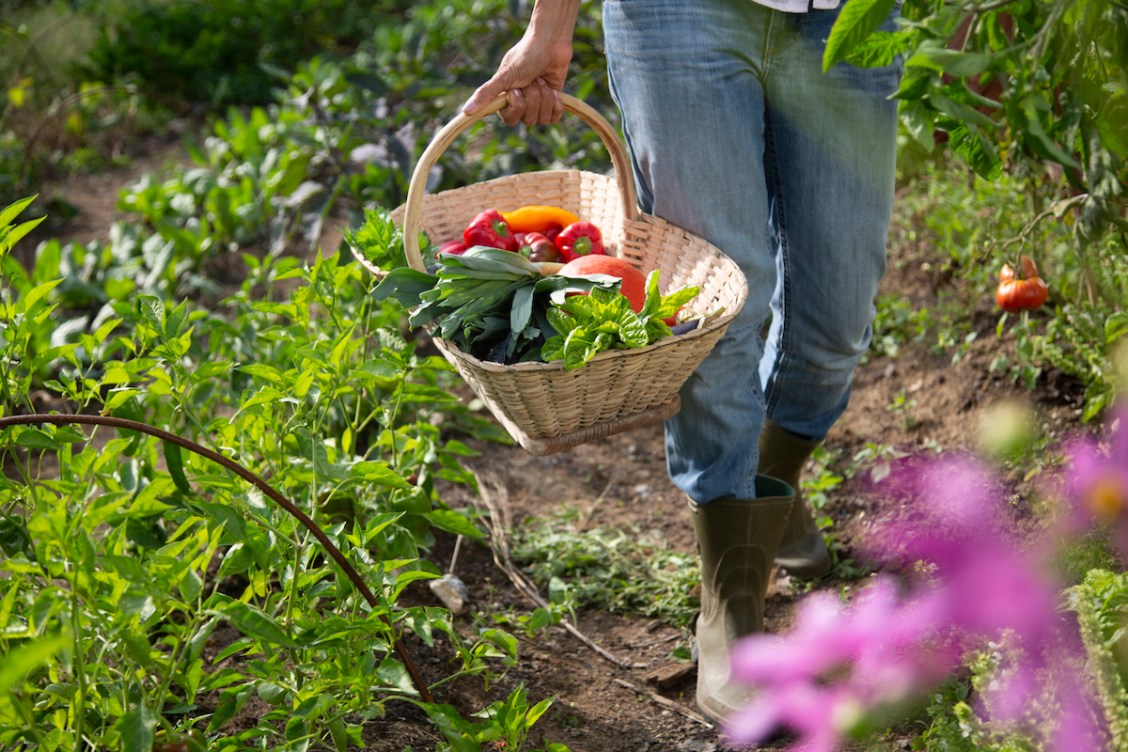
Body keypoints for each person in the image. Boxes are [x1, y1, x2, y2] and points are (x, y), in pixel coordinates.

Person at [462, 0, 902, 726]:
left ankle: (774, 488)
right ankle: (730, 601)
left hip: (848, 18)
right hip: (679, 16)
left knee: (836, 324)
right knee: (721, 306)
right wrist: (550, 24)